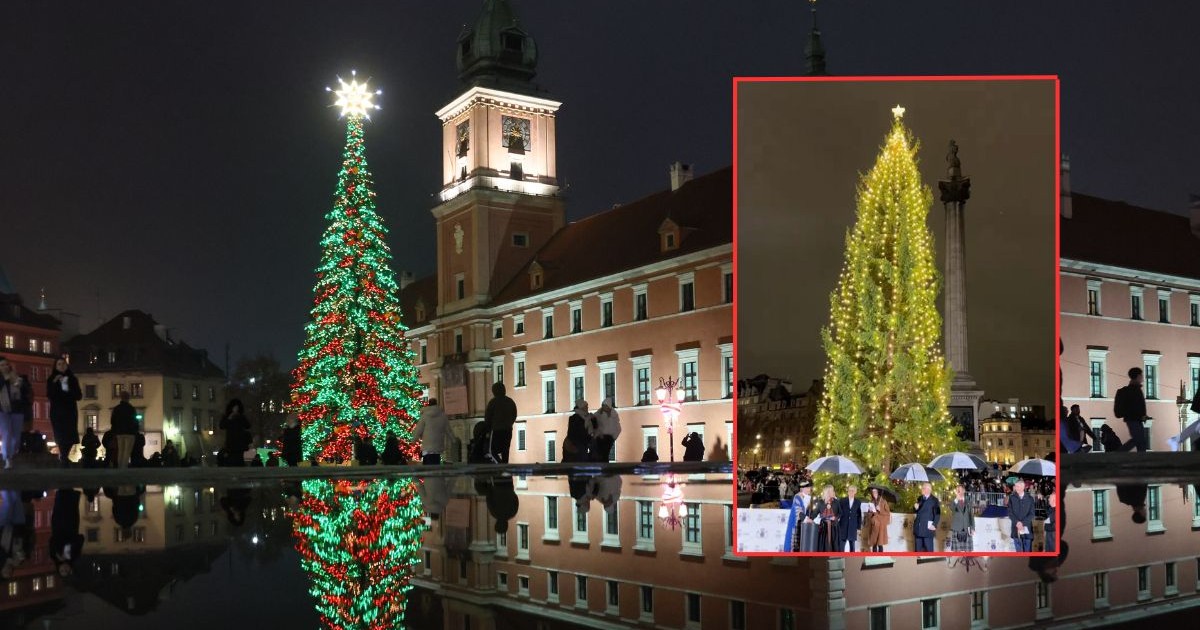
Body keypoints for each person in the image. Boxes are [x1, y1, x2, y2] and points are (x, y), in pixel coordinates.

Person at [46, 358, 82, 466]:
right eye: (59, 364)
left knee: (70, 435)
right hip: (57, 411)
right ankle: (64, 457)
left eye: (63, 364)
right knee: (60, 435)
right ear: (55, 366)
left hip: (70, 410)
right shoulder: (52, 379)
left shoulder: (72, 379)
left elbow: (78, 395)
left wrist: (67, 389)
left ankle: (64, 456)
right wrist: (55, 382)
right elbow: (49, 395)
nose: (61, 366)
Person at [0, 359, 32, 470]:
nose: (5, 367)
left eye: (6, 364)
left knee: (16, 437)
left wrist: (20, 383)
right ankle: (7, 458)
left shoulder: (18, 378)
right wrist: (4, 380)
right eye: (2, 365)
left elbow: (26, 393)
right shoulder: (1, 379)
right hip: (2, 410)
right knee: (7, 433)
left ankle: (11, 455)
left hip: (17, 410)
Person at [48, 488, 84, 578]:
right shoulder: (74, 556)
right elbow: (81, 538)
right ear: (70, 569)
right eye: (66, 570)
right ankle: (70, 489)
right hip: (71, 524)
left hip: (58, 525)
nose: (64, 568)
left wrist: (57, 551)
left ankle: (61, 489)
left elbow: (51, 540)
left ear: (58, 568)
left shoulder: (54, 556)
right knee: (71, 504)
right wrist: (70, 545)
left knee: (60, 504)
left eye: (62, 570)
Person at [1114, 367, 1149, 452]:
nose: (1142, 377)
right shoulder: (1135, 390)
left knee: (1138, 440)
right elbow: (1137, 406)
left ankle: (1119, 453)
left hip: (1133, 419)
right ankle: (1119, 454)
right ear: (1137, 376)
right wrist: (1142, 415)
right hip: (1134, 419)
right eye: (1141, 375)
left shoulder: (1133, 389)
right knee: (1140, 441)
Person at [484, 383, 517, 463]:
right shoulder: (510, 401)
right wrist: (509, 423)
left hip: (496, 430)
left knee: (491, 450)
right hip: (508, 430)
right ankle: (504, 466)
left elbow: (488, 417)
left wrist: (488, 428)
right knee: (505, 452)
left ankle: (500, 465)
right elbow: (514, 415)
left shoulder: (493, 402)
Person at [412, 398, 450, 465]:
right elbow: (448, 429)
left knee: (427, 468)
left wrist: (414, 440)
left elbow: (419, 429)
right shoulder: (442, 415)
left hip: (427, 447)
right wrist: (453, 439)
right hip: (437, 447)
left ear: (428, 404)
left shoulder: (425, 416)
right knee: (436, 466)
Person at [108, 391, 139, 469]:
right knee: (127, 451)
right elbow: (135, 421)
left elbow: (112, 421)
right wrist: (136, 430)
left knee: (121, 451)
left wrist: (115, 431)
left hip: (119, 433)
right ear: (128, 398)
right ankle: (124, 467)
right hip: (130, 432)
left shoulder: (116, 408)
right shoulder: (131, 408)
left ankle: (120, 466)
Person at [219, 399, 252, 467]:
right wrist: (229, 418)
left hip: (240, 444)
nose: (235, 409)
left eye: (237, 408)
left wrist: (241, 417)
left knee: (239, 461)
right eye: (234, 407)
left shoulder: (241, 417)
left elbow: (248, 425)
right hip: (231, 443)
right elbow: (222, 426)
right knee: (232, 461)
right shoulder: (227, 417)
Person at [790, 480, 820, 552]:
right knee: (798, 545)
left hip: (806, 525)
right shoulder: (797, 497)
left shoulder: (810, 498)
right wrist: (807, 519)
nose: (810, 489)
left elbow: (812, 511)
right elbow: (798, 511)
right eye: (808, 488)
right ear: (803, 488)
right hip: (798, 524)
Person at [1008, 479, 1036, 552]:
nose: (1016, 488)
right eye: (1016, 486)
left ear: (1023, 487)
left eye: (1018, 486)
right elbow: (1010, 512)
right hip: (1015, 528)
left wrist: (1022, 523)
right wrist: (1017, 522)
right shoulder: (1012, 498)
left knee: (1027, 551)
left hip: (1026, 529)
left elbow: (1032, 514)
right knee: (1018, 551)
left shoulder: (1030, 499)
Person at [591, 397, 621, 462]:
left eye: (604, 406)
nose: (603, 407)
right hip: (600, 437)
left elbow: (618, 429)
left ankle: (604, 467)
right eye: (603, 405)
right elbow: (594, 424)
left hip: (608, 438)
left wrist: (613, 438)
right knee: (600, 455)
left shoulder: (613, 415)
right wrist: (597, 434)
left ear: (608, 406)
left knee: (604, 455)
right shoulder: (598, 414)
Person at [913, 482, 940, 552]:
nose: (923, 489)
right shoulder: (919, 498)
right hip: (918, 529)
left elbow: (938, 514)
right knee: (917, 551)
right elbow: (917, 511)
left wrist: (934, 525)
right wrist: (915, 508)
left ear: (929, 490)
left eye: (924, 488)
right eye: (923, 488)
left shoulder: (935, 500)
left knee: (929, 551)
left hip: (928, 529)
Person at [815, 485, 842, 552]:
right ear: (826, 492)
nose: (832, 492)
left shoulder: (836, 502)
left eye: (832, 491)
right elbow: (815, 513)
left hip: (834, 528)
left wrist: (835, 518)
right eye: (830, 491)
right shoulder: (820, 502)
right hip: (824, 528)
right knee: (824, 547)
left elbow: (841, 513)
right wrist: (809, 519)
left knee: (834, 546)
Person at [948, 483, 975, 552]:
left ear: (964, 491)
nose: (958, 492)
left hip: (967, 528)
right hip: (956, 528)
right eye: (957, 490)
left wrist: (972, 528)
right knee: (957, 551)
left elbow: (971, 515)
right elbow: (951, 508)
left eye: (959, 490)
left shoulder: (968, 501)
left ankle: (967, 561)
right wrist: (956, 498)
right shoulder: (954, 501)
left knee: (968, 551)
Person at [865, 486, 891, 552]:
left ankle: (881, 558)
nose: (874, 493)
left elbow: (888, 513)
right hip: (874, 525)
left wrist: (880, 509)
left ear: (877, 492)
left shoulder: (883, 502)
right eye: (873, 492)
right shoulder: (871, 502)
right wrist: (871, 511)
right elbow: (868, 515)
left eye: (875, 492)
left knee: (880, 543)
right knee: (874, 543)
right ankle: (874, 558)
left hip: (881, 525)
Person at [838, 485, 863, 552]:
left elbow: (859, 515)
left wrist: (858, 528)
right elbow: (839, 512)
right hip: (843, 526)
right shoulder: (842, 501)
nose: (851, 492)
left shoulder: (858, 502)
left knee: (852, 547)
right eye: (849, 490)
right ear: (848, 491)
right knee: (841, 547)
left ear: (855, 492)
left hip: (853, 527)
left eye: (853, 491)